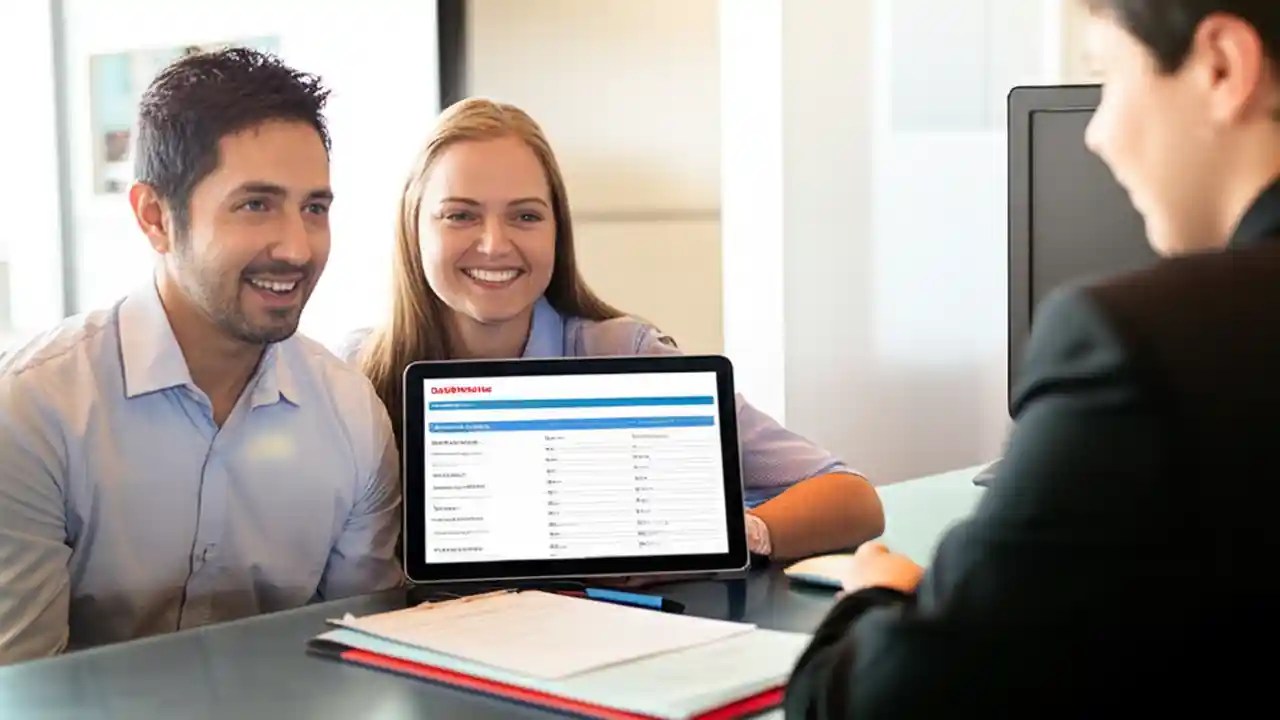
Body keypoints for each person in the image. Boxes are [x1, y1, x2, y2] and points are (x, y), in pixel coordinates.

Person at [785, 1, 1280, 715]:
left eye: (1107, 75)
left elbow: (870, 704)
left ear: (1223, 67)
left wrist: (877, 598)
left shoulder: (1137, 343)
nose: (1098, 135)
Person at [342, 98, 884, 561]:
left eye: (526, 216)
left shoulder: (628, 355)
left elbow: (854, 500)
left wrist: (731, 536)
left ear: (558, 230)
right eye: (460, 215)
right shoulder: (355, 375)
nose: (493, 244)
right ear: (413, 227)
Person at [0, 48, 402, 664]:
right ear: (155, 217)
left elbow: (364, 656)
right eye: (255, 204)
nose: (297, 247)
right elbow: (18, 685)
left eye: (314, 208)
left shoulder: (350, 415)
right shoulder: (35, 410)